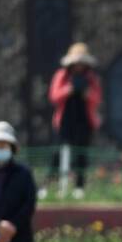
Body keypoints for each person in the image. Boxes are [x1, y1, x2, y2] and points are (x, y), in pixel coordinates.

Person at [47, 42, 102, 199]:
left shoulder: (92, 79)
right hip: (65, 122)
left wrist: (87, 93)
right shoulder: (61, 75)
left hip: (84, 122)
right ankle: (51, 185)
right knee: (57, 153)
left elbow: (97, 99)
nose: (78, 65)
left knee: (81, 155)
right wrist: (69, 89)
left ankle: (79, 187)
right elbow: (53, 96)